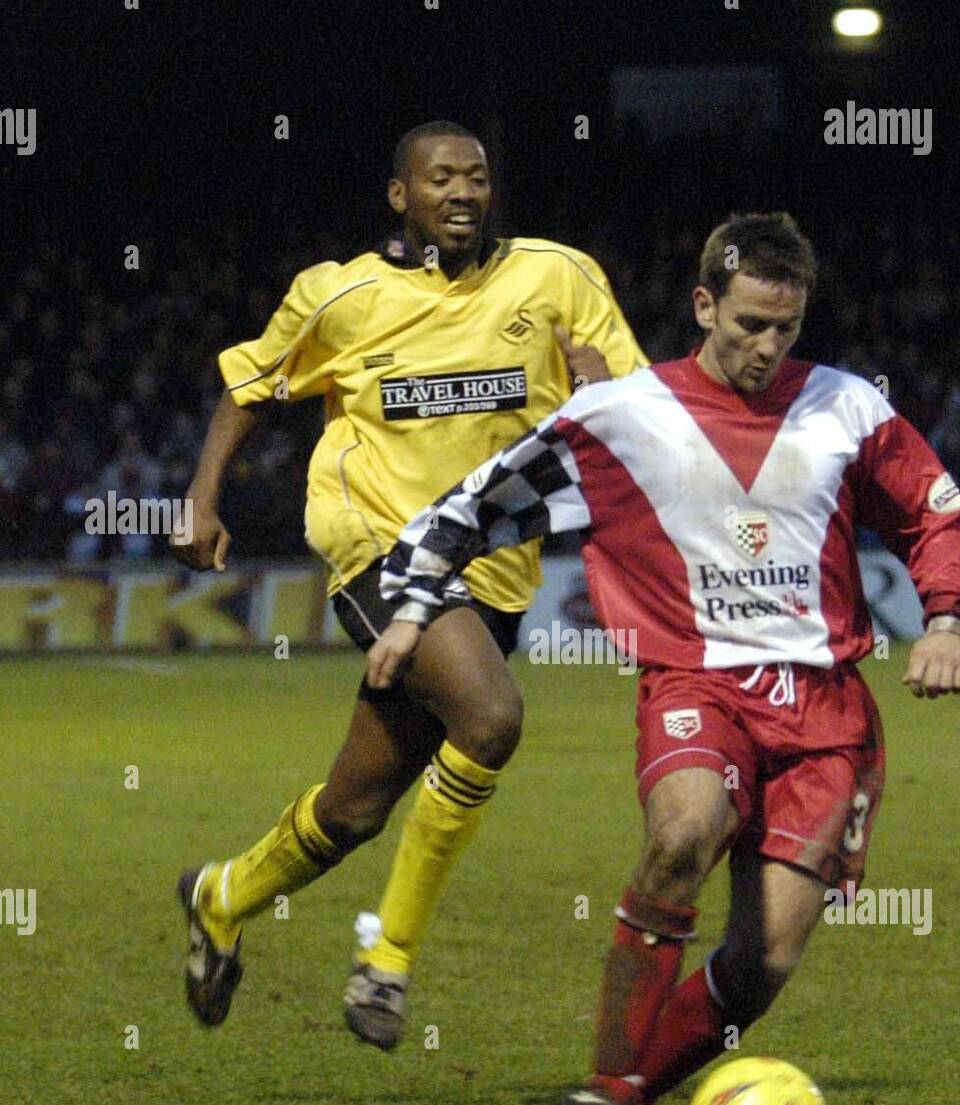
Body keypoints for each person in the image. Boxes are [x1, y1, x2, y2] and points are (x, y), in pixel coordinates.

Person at [364, 211, 960, 1105]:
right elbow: (467, 512)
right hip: (698, 686)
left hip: (828, 714)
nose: (765, 348)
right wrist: (410, 610)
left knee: (765, 958)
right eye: (746, 325)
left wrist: (948, 618)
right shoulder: (623, 416)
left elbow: (934, 512)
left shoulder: (848, 407)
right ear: (704, 305)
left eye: (784, 328)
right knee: (683, 835)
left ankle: (625, 1096)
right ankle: (606, 1084)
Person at [171, 120, 646, 1048]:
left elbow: (637, 409)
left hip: (495, 566)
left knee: (354, 807)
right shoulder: (339, 294)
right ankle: (386, 962)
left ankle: (220, 897)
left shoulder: (560, 277)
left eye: (475, 176)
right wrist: (201, 497)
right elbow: (252, 383)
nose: (461, 191)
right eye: (440, 179)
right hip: (374, 537)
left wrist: (604, 394)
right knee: (492, 719)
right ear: (402, 195)